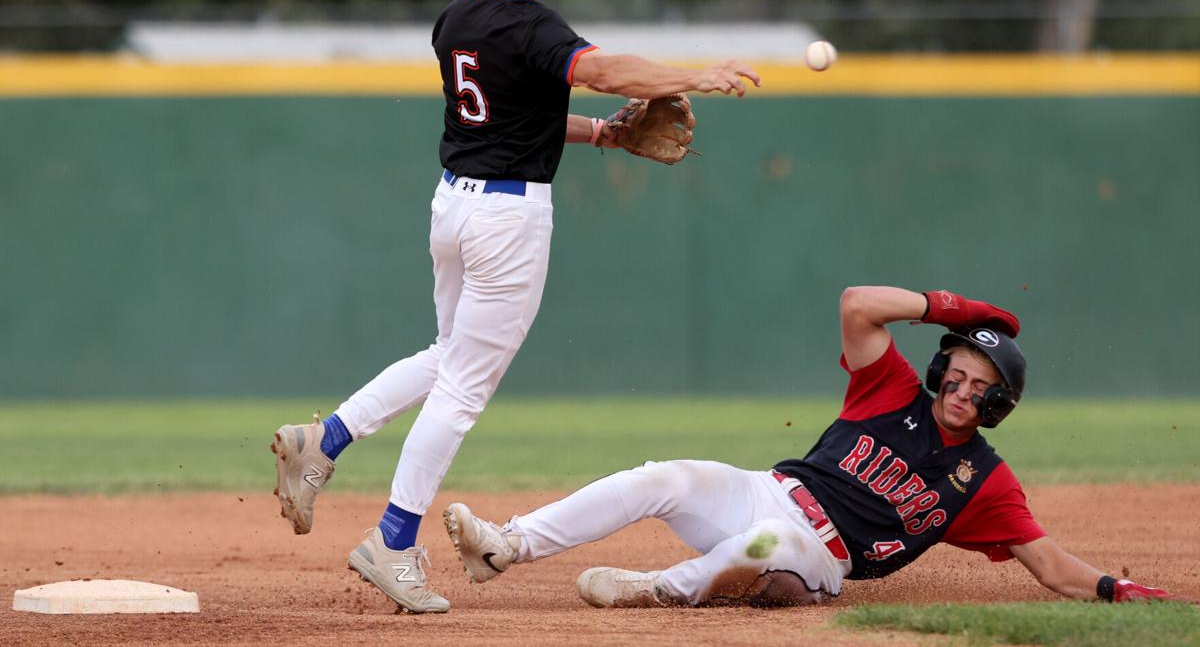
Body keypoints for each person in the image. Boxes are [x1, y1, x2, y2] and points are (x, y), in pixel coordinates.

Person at [269, 0, 761, 614]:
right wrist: (697, 73)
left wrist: (603, 135)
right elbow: (599, 70)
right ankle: (392, 543)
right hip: (507, 220)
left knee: (448, 356)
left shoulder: (456, 19)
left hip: (454, 207)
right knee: (463, 388)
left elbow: (515, 115)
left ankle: (325, 441)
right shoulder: (530, 23)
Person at [443, 286, 1189, 608]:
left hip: (821, 557)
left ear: (998, 407)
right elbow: (857, 305)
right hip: (766, 488)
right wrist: (953, 309)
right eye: (957, 374)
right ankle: (507, 545)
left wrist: (1111, 589)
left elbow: (1048, 564)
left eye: (980, 388)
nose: (962, 391)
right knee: (665, 476)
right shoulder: (892, 388)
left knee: (767, 545)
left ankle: (655, 588)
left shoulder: (982, 481)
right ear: (939, 372)